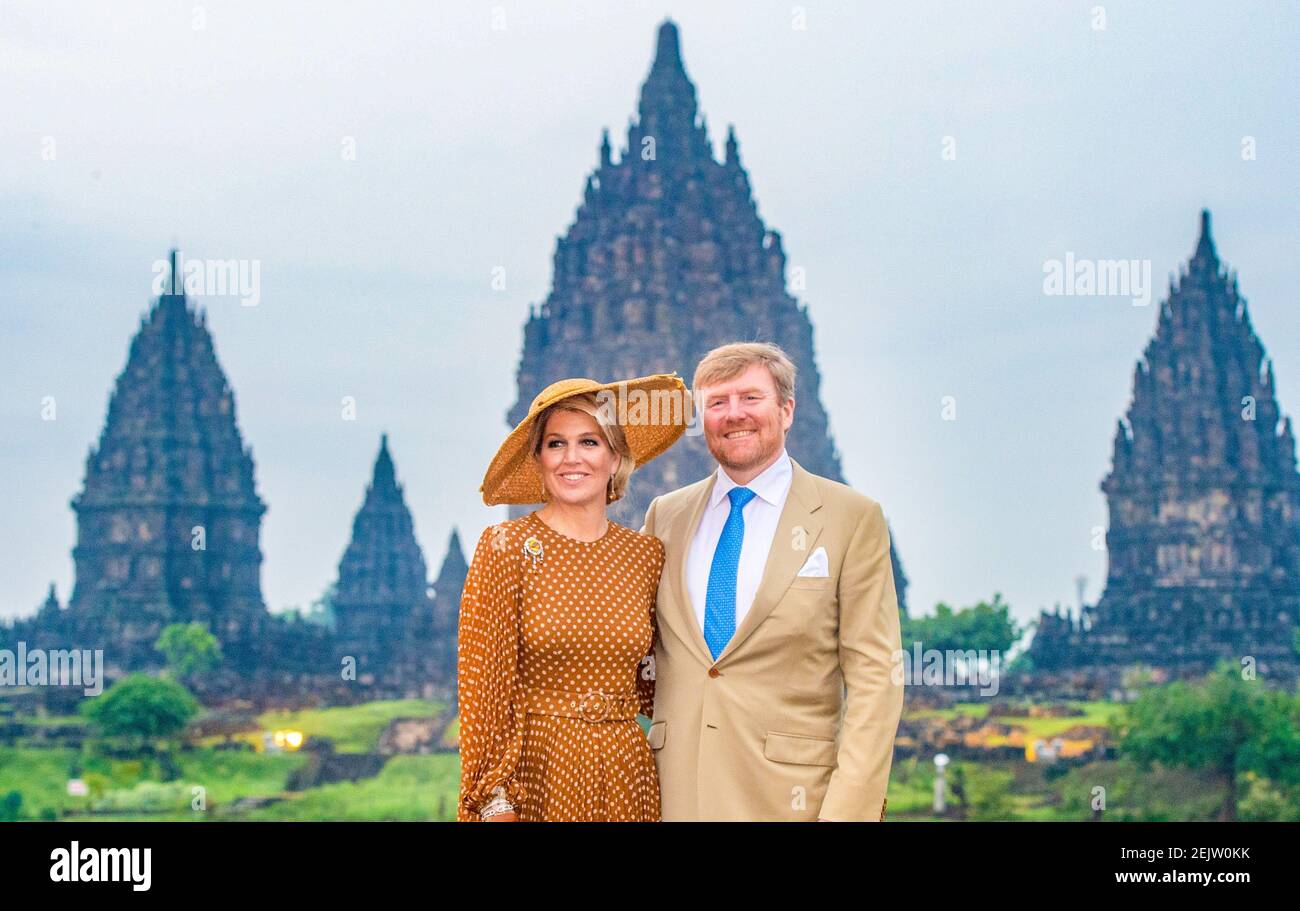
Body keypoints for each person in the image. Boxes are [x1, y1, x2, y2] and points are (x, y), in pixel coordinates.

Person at [641, 342, 904, 821]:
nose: (733, 414)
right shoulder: (666, 517)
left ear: (786, 410)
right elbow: (627, 648)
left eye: (750, 398)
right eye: (717, 403)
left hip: (792, 800)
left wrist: (848, 813)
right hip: (674, 796)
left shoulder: (850, 517)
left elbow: (875, 680)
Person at [456, 372, 688, 821]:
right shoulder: (505, 547)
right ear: (539, 458)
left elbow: (660, 679)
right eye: (556, 444)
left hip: (627, 771)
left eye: (589, 442)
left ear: (615, 455)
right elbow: (483, 686)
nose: (571, 458)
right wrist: (494, 800)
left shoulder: (645, 555)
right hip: (538, 770)